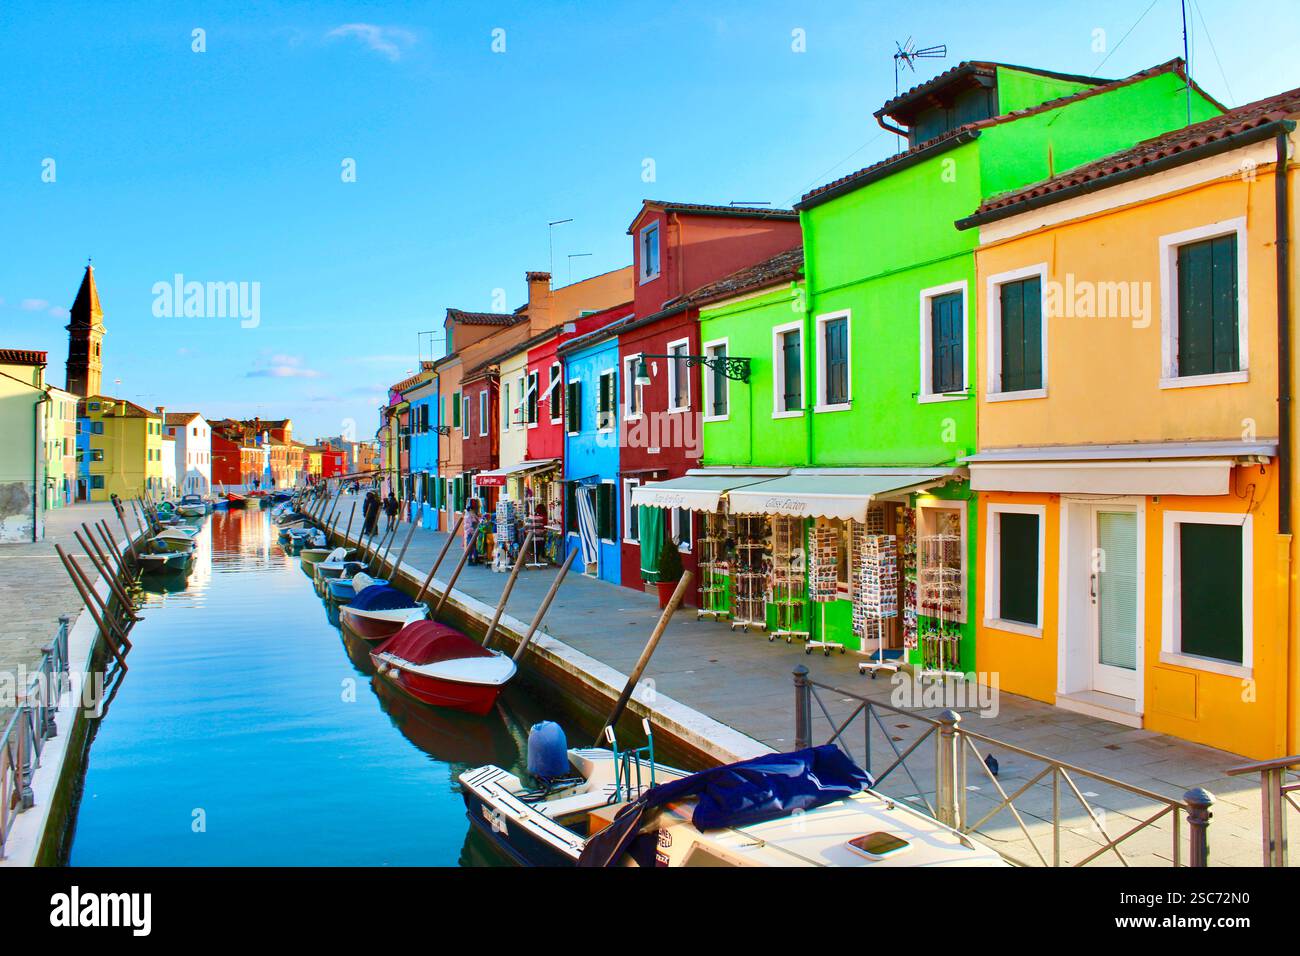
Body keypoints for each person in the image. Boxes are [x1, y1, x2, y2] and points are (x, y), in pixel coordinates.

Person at [463, 499, 483, 566]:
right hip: (470, 533)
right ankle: (470, 559)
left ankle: (476, 558)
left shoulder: (472, 514)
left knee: (474, 546)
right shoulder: (469, 515)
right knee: (471, 546)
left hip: (473, 532)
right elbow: (472, 523)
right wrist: (478, 518)